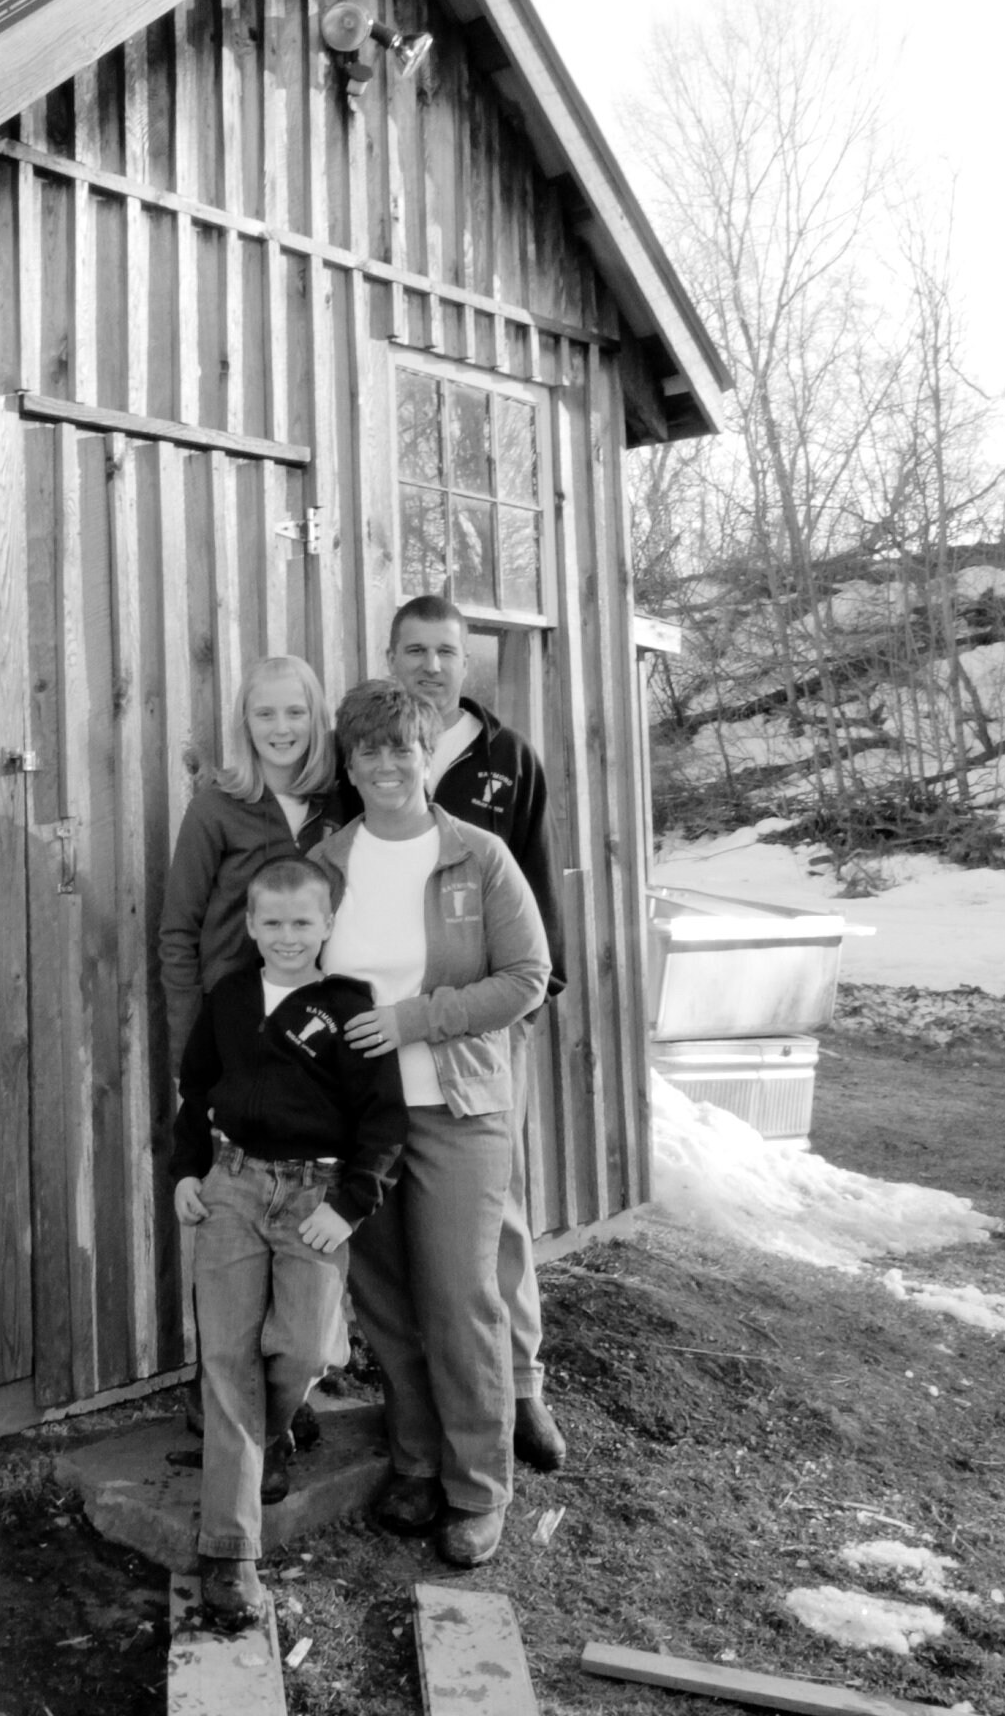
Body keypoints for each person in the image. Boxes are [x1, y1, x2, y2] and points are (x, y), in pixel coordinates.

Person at [309, 677, 549, 1568]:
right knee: (388, 1302)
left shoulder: (477, 856)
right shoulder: (330, 862)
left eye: (400, 747)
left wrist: (416, 1017)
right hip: (362, 1122)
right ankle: (413, 1463)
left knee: (459, 1298)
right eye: (366, 750)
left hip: (458, 1110)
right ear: (349, 761)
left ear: (426, 754)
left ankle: (479, 1489)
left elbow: (526, 978)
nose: (384, 764)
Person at [338, 595, 572, 1474]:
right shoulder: (372, 748)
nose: (430, 666)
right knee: (399, 1257)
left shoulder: (505, 760)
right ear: (390, 658)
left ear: (466, 663)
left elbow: (536, 897)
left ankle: (519, 1389)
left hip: (483, 1026)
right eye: (414, 651)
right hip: (385, 1051)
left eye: (445, 651)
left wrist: (525, 1006)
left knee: (489, 1227)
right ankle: (424, 1433)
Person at [167, 857, 406, 1631]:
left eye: (303, 922)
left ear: (328, 924)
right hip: (232, 1186)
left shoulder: (349, 1010)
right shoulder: (230, 998)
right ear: (251, 926)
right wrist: (186, 1170)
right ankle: (231, 1553)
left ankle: (270, 1430)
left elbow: (383, 1121)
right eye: (271, 923)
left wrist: (350, 1203)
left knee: (303, 1348)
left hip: (314, 1198)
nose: (286, 937)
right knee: (228, 1355)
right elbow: (195, 1090)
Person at [159, 655, 339, 1058]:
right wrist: (189, 1046)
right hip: (232, 1021)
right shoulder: (214, 810)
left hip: (319, 1021)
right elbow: (178, 933)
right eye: (264, 714)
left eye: (296, 712)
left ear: (317, 719)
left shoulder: (340, 806)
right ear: (245, 723)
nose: (281, 728)